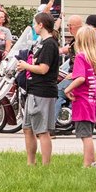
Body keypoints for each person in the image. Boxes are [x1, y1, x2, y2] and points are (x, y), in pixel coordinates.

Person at [14, 13, 62, 167]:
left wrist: (25, 66)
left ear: (41, 25)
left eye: (35, 24)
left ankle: (46, 165)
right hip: (33, 90)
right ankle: (31, 163)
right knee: (27, 128)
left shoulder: (50, 44)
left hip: (43, 91)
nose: (34, 26)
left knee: (42, 131)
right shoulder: (41, 42)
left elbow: (43, 69)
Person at [67, 23, 96, 169]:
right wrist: (94, 86)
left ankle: (86, 165)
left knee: (86, 136)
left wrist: (67, 90)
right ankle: (94, 162)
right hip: (94, 100)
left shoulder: (81, 57)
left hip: (82, 101)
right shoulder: (95, 57)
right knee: (88, 132)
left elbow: (80, 79)